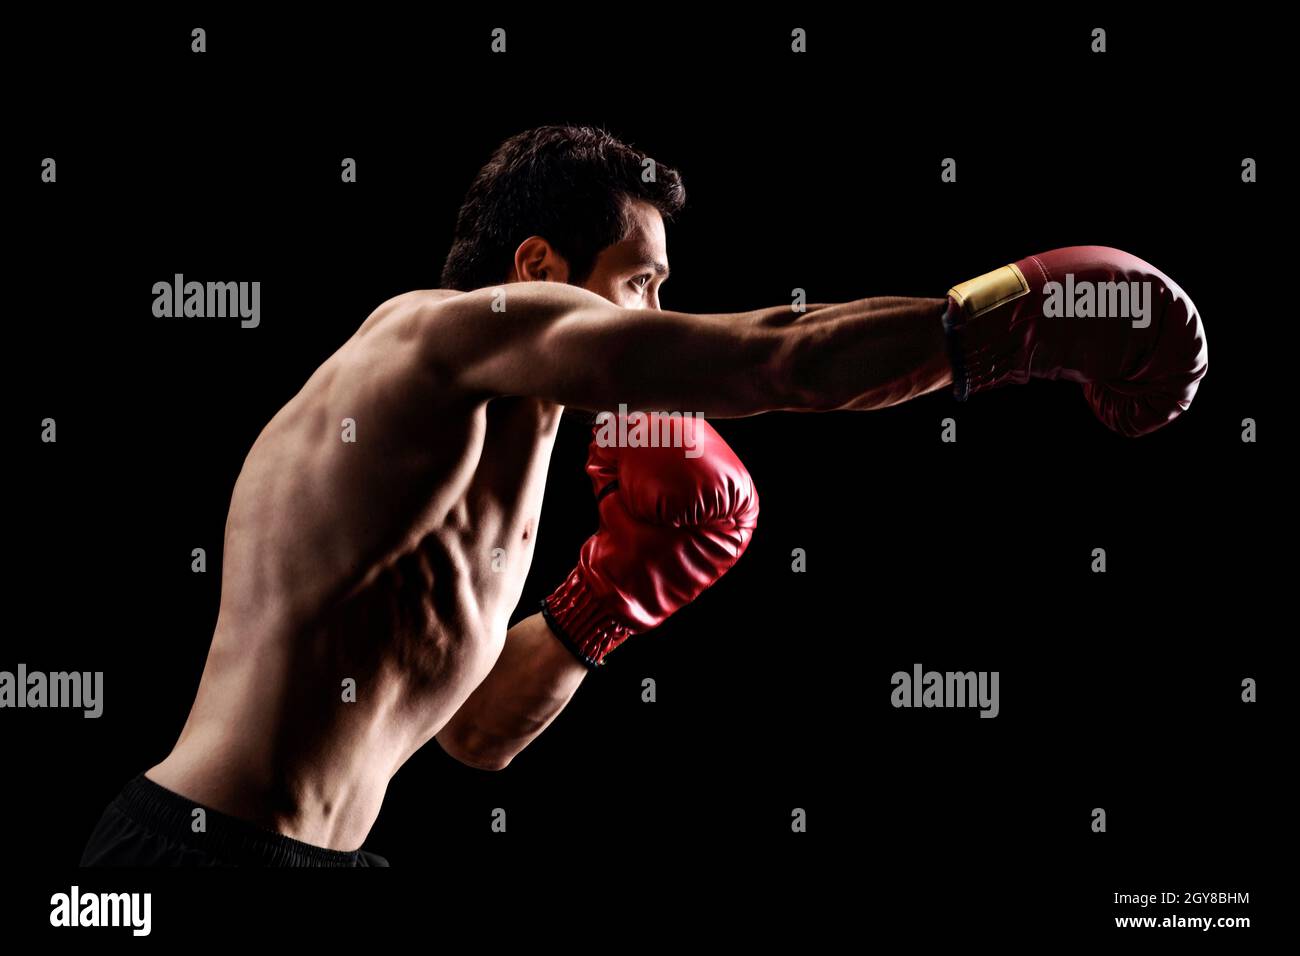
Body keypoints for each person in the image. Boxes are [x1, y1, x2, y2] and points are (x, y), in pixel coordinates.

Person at [81, 125, 1207, 866]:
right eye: (642, 283)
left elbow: (472, 734)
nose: (658, 314)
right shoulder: (436, 332)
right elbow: (782, 358)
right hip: (196, 852)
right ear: (535, 272)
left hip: (304, 857)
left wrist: (604, 600)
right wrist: (1015, 315)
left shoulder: (480, 457)